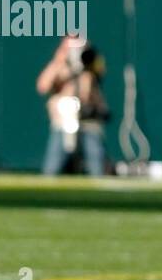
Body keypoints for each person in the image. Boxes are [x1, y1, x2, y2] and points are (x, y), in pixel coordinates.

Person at [36, 35, 110, 176]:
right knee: (53, 164)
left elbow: (99, 72)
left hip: (88, 119)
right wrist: (62, 57)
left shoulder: (90, 64)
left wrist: (87, 56)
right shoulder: (60, 65)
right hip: (64, 120)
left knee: (96, 162)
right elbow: (43, 85)